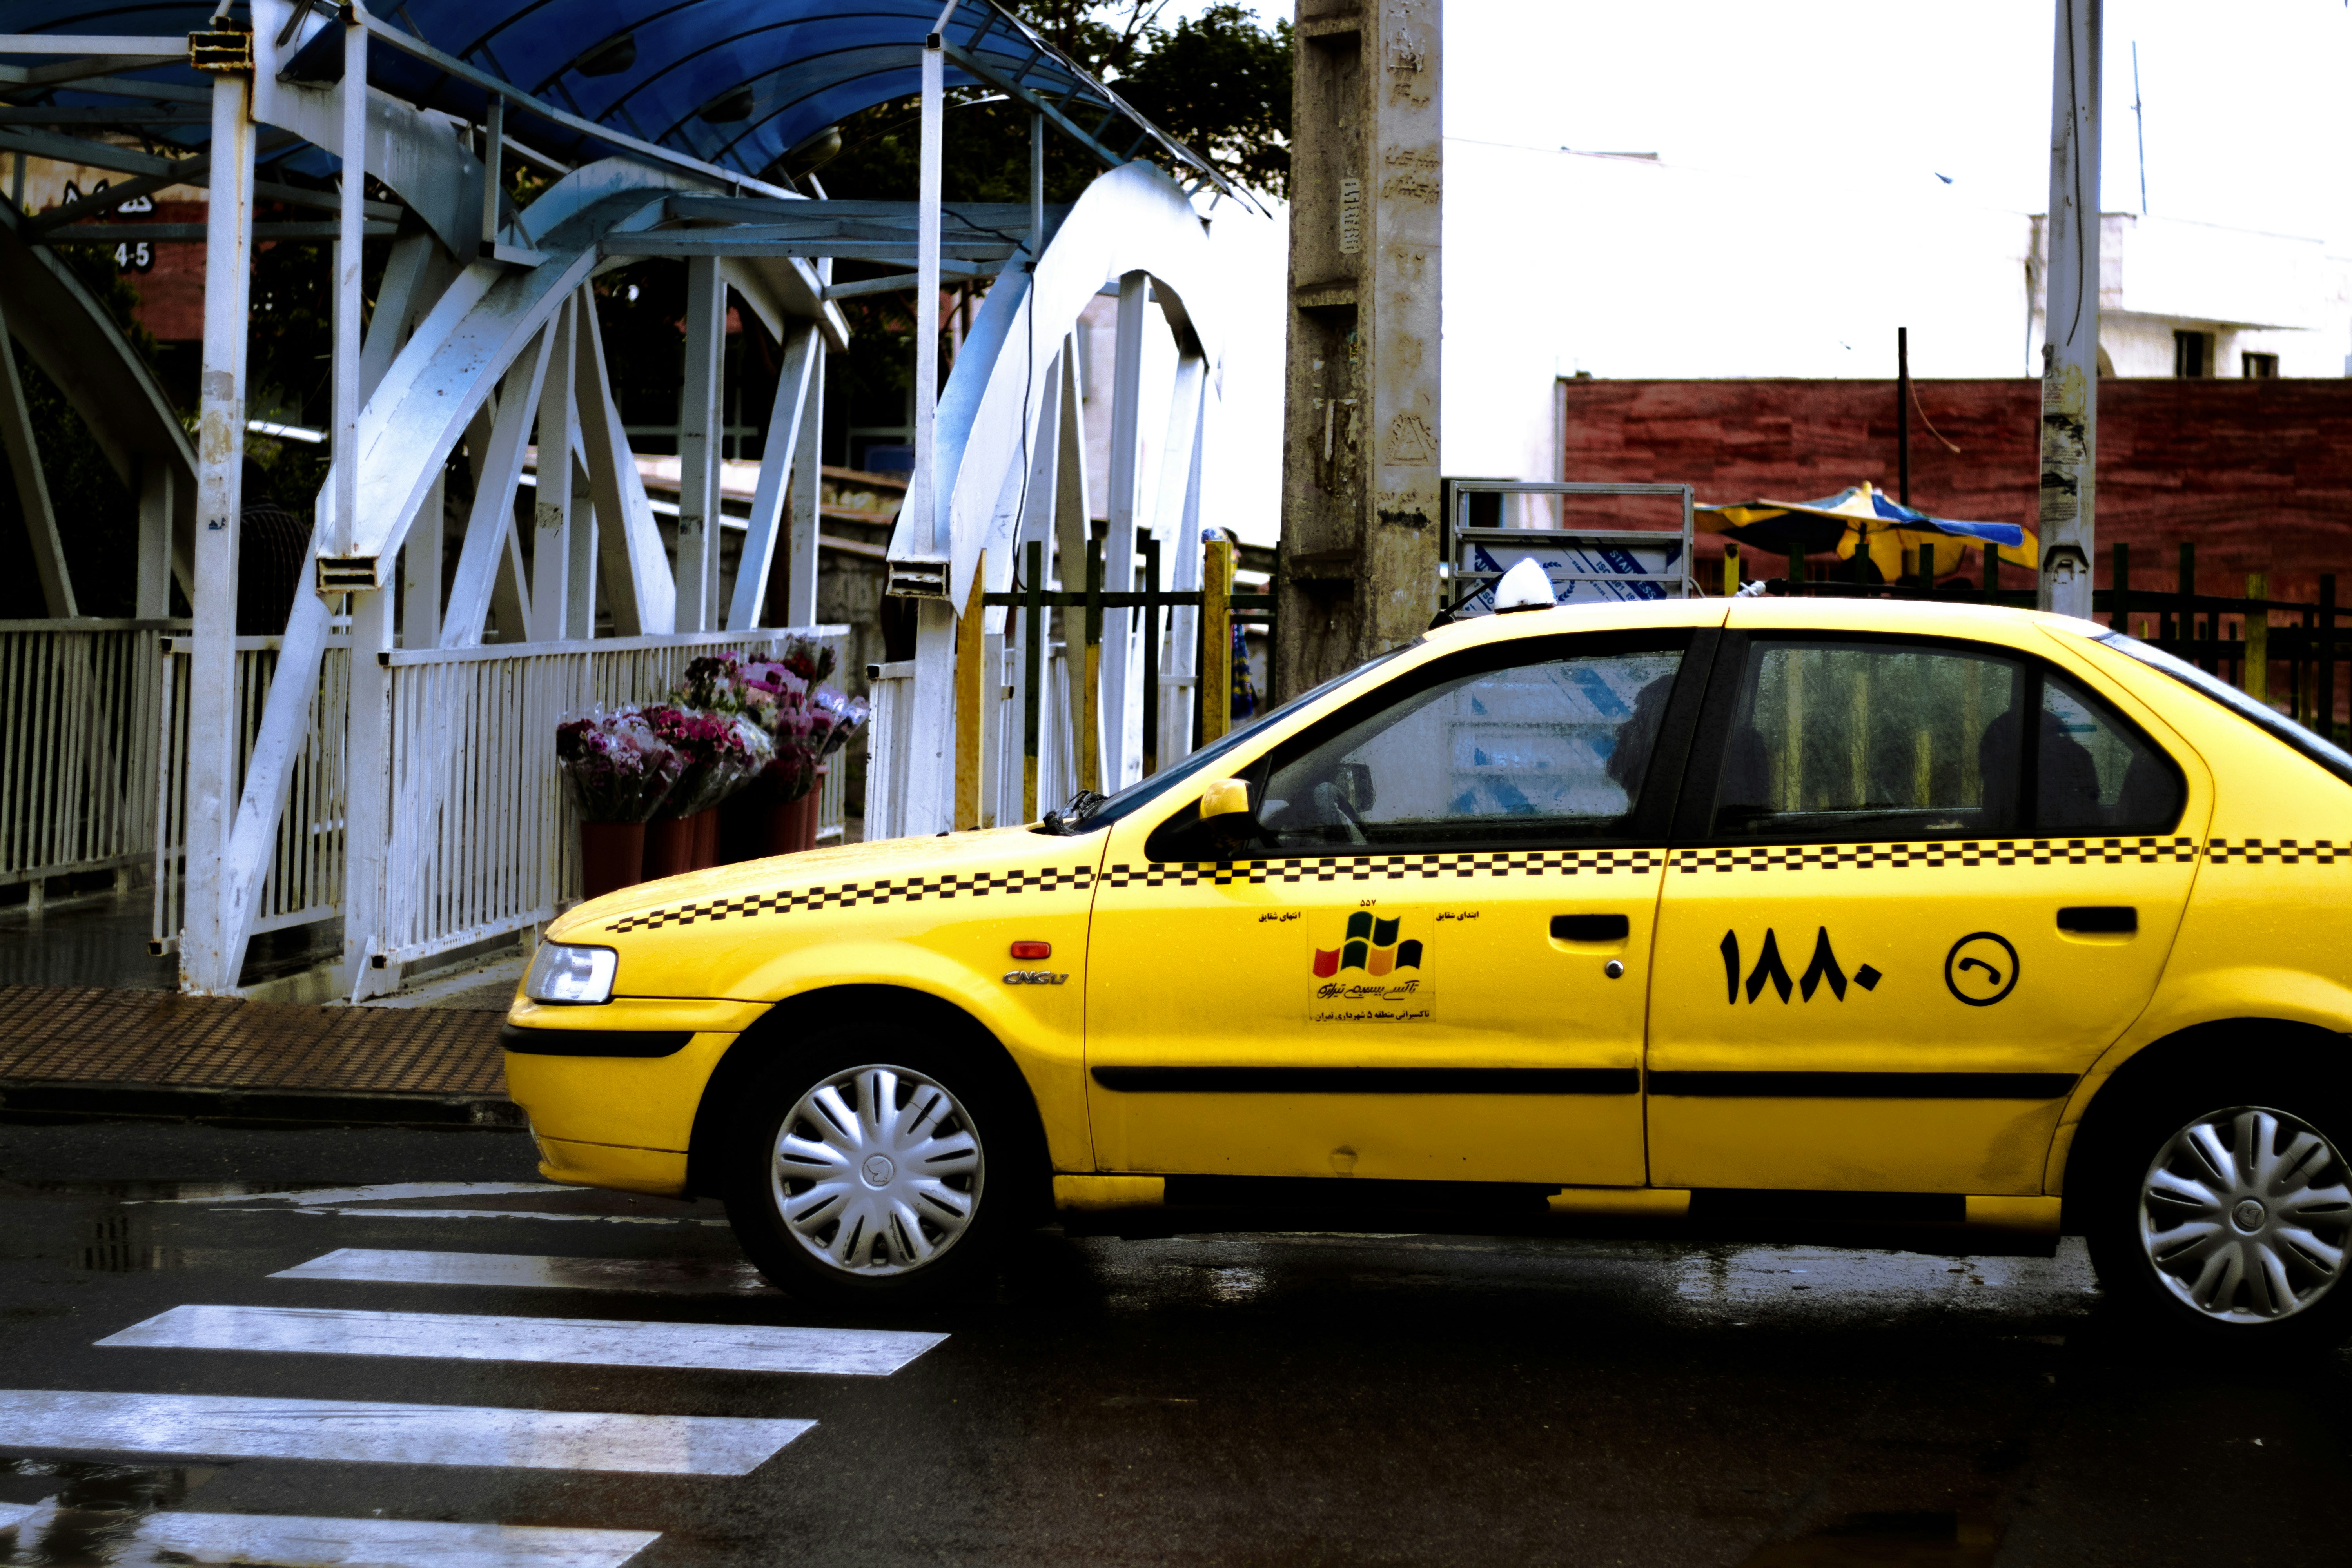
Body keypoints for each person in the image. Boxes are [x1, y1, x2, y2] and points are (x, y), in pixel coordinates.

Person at [236, 457, 310, 637]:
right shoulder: (302, 529)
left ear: (241, 482)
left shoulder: (239, 527)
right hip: (296, 650)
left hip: (250, 653)